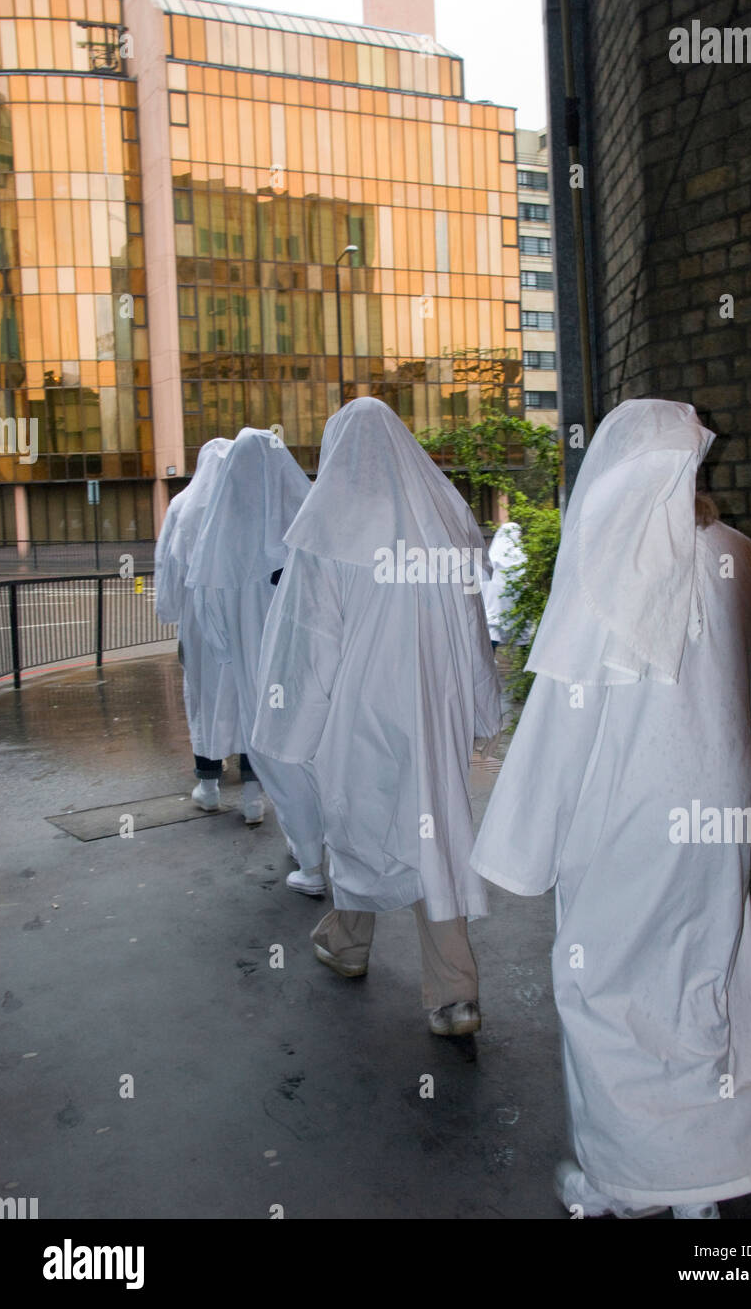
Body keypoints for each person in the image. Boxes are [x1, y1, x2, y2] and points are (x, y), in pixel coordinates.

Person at [470, 398, 751, 1218]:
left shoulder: (605, 573)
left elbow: (559, 729)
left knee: (605, 997)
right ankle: (698, 1185)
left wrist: (521, 846)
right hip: (716, 814)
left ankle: (616, 1184)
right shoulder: (740, 557)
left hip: (623, 827)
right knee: (703, 983)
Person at [251, 397, 502, 1035]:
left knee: (363, 826)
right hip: (435, 707)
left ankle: (370, 953)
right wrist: (477, 708)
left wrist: (288, 731)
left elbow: (311, 641)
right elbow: (475, 628)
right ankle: (442, 989)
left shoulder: (328, 528)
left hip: (361, 712)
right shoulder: (446, 515)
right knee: (433, 830)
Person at [185, 428, 326, 895]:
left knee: (276, 757)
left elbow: (209, 608)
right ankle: (318, 845)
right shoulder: (307, 520)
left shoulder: (221, 531)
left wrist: (229, 653)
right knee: (313, 754)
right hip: (311, 667)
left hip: (255, 672)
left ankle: (311, 859)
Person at [154, 437, 262, 823]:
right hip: (248, 623)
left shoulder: (183, 506)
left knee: (204, 700)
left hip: (199, 625)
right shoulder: (250, 506)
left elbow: (168, 567)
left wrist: (167, 609)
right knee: (251, 702)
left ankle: (210, 786)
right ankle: (253, 797)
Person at [481, 520, 528, 651]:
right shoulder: (519, 554)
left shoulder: (493, 553)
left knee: (494, 624)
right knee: (522, 624)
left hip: (495, 595)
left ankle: (490, 659)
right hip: (514, 595)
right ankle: (525, 660)